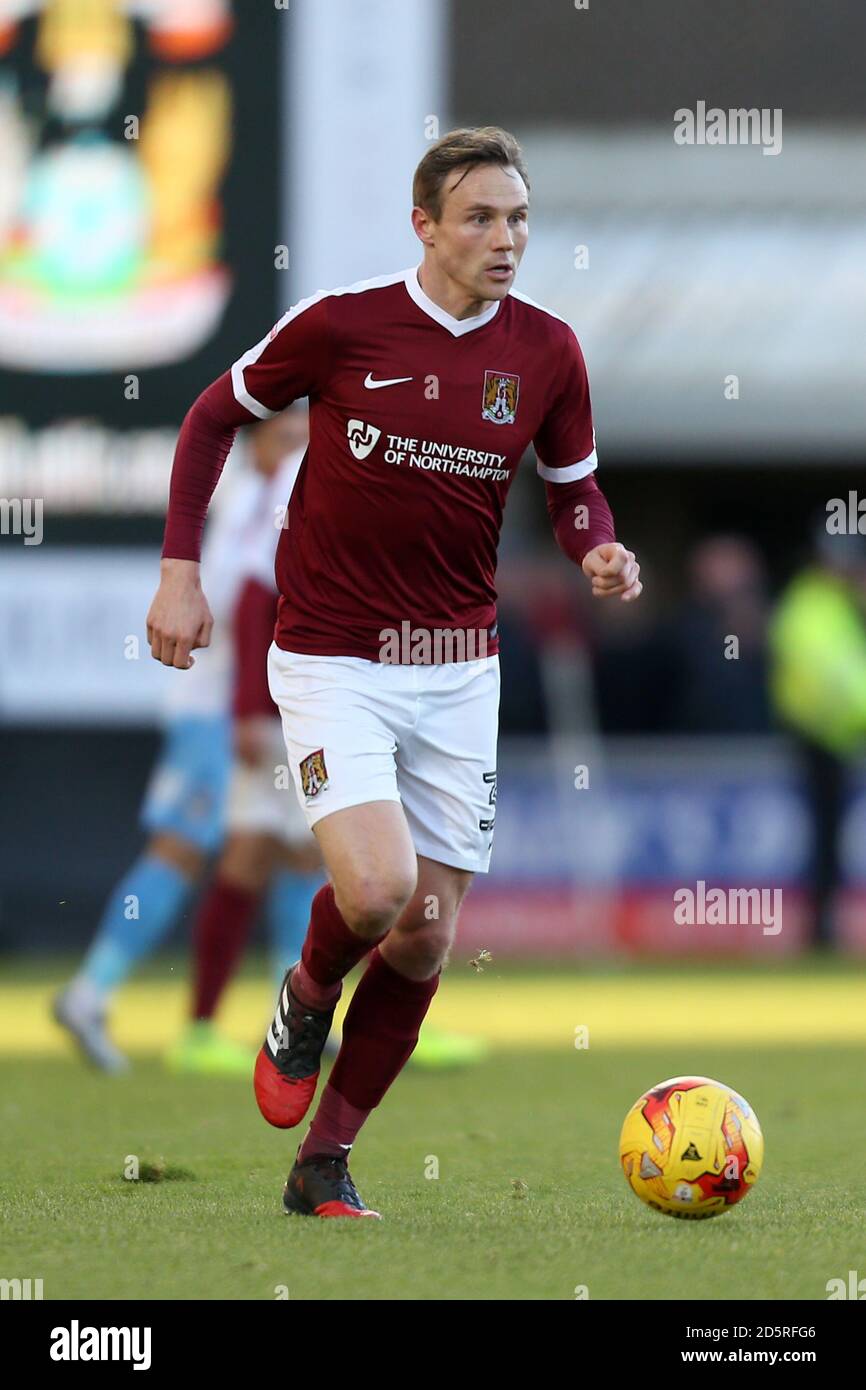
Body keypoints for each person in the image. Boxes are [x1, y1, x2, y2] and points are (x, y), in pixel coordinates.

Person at [147, 126, 642, 1219]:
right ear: (423, 225)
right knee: (374, 893)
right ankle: (306, 987)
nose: (504, 238)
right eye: (479, 218)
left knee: (424, 931)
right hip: (332, 653)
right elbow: (210, 417)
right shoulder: (340, 325)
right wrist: (179, 573)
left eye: (516, 217)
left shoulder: (547, 350)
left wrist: (593, 545)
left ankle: (323, 1161)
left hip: (459, 669)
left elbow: (573, 487)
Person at [54, 411, 314, 1073]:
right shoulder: (270, 492)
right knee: (184, 848)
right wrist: (251, 709)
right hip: (222, 709)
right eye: (287, 433)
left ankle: (292, 1019)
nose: (299, 446)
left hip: (253, 705)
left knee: (296, 850)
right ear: (260, 439)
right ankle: (94, 991)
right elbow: (255, 597)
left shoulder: (255, 494)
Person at [769, 526, 866, 947]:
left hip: (834, 737)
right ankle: (820, 930)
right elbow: (836, 678)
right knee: (825, 838)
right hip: (821, 738)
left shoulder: (825, 603)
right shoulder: (813, 605)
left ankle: (823, 927)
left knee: (828, 837)